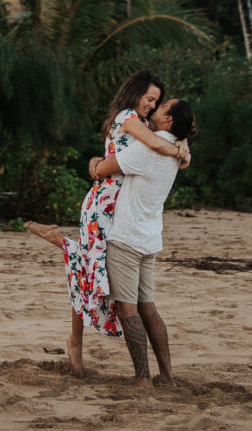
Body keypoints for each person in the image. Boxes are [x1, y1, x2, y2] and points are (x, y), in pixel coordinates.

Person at [25, 70, 190, 374]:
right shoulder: (128, 116)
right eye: (150, 98)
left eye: (158, 102)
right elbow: (153, 144)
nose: (153, 105)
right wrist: (179, 148)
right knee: (88, 267)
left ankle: (63, 244)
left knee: (89, 267)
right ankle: (75, 340)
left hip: (120, 204)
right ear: (135, 93)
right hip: (104, 204)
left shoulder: (143, 122)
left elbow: (150, 143)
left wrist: (183, 144)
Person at [90, 95, 197, 388]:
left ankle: (142, 380)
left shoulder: (149, 148)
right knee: (148, 306)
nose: (155, 108)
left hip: (126, 237)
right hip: (150, 238)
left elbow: (103, 170)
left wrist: (94, 161)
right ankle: (167, 376)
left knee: (128, 310)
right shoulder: (176, 151)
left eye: (161, 106)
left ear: (168, 119)